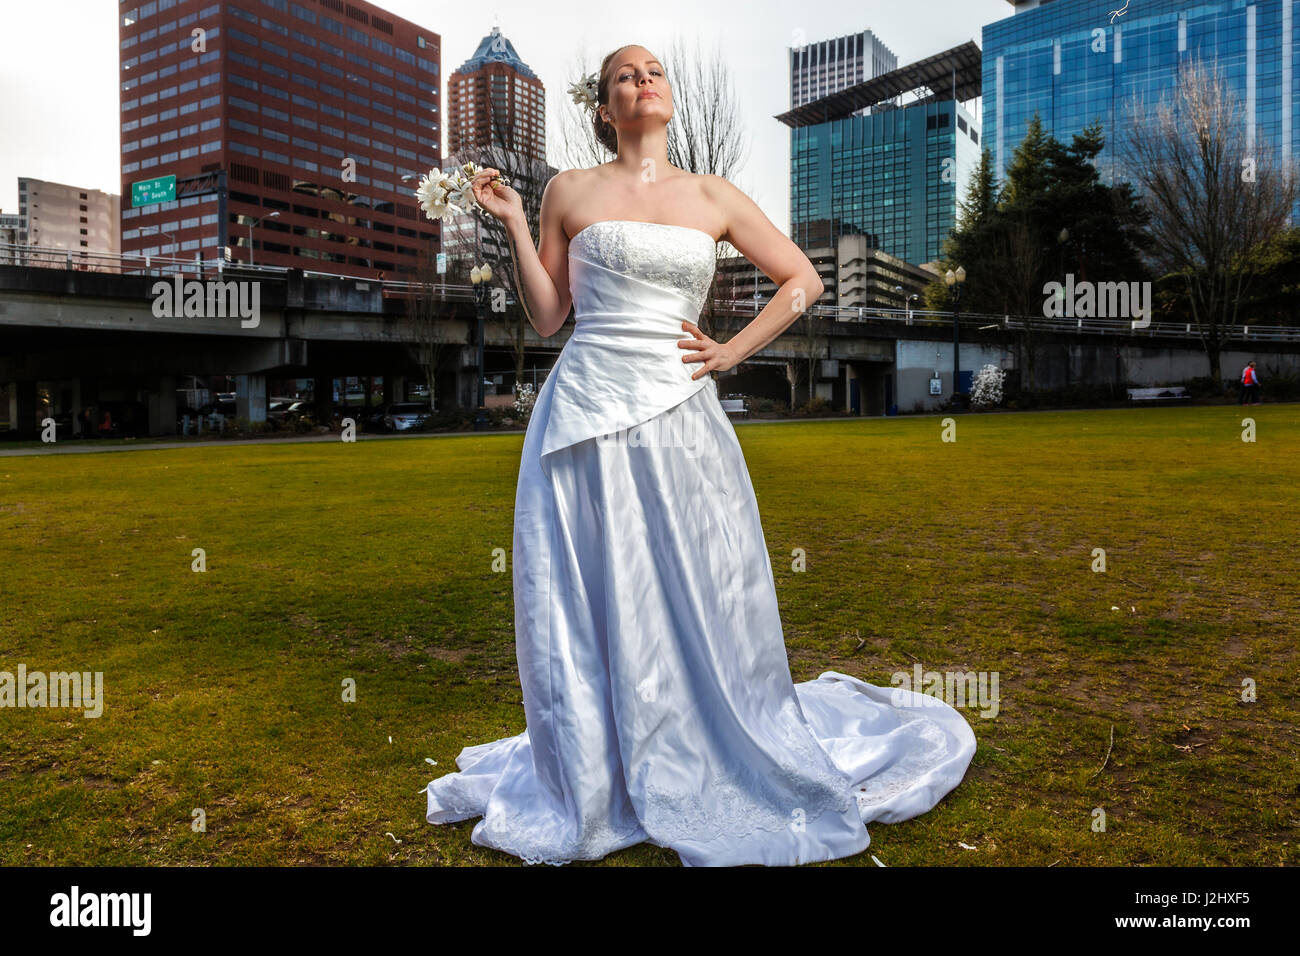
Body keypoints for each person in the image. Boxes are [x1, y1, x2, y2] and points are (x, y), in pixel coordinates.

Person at [423, 44, 976, 867]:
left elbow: (801, 281)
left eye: (652, 73)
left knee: (696, 578)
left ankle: (705, 733)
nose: (642, 81)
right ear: (604, 107)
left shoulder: (714, 195)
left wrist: (730, 351)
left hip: (682, 413)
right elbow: (547, 318)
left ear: (668, 98)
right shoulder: (567, 190)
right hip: (586, 407)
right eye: (623, 76)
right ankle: (603, 751)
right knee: (596, 581)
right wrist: (509, 222)